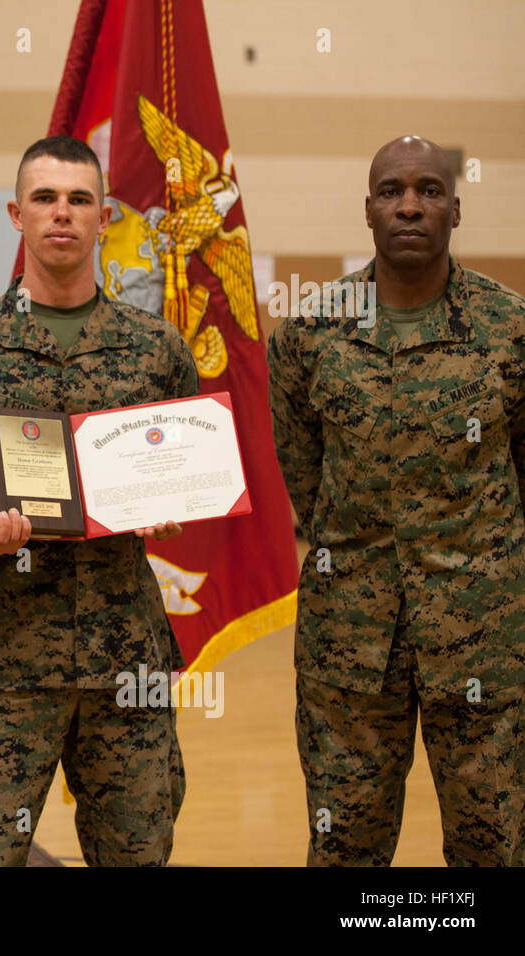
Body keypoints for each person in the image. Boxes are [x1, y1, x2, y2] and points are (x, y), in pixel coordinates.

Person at [0, 136, 198, 866]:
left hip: (124, 654)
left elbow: (188, 465)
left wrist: (171, 499)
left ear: (104, 218)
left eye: (78, 200)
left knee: (136, 854)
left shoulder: (157, 350)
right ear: (16, 214)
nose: (61, 214)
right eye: (44, 199)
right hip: (3, 656)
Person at [268, 135, 525, 866]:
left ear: (456, 209)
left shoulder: (511, 332)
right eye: (391, 190)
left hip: (483, 638)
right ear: (369, 210)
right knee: (345, 841)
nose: (410, 204)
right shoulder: (310, 338)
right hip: (350, 645)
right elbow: (304, 476)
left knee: (495, 844)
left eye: (429, 190)